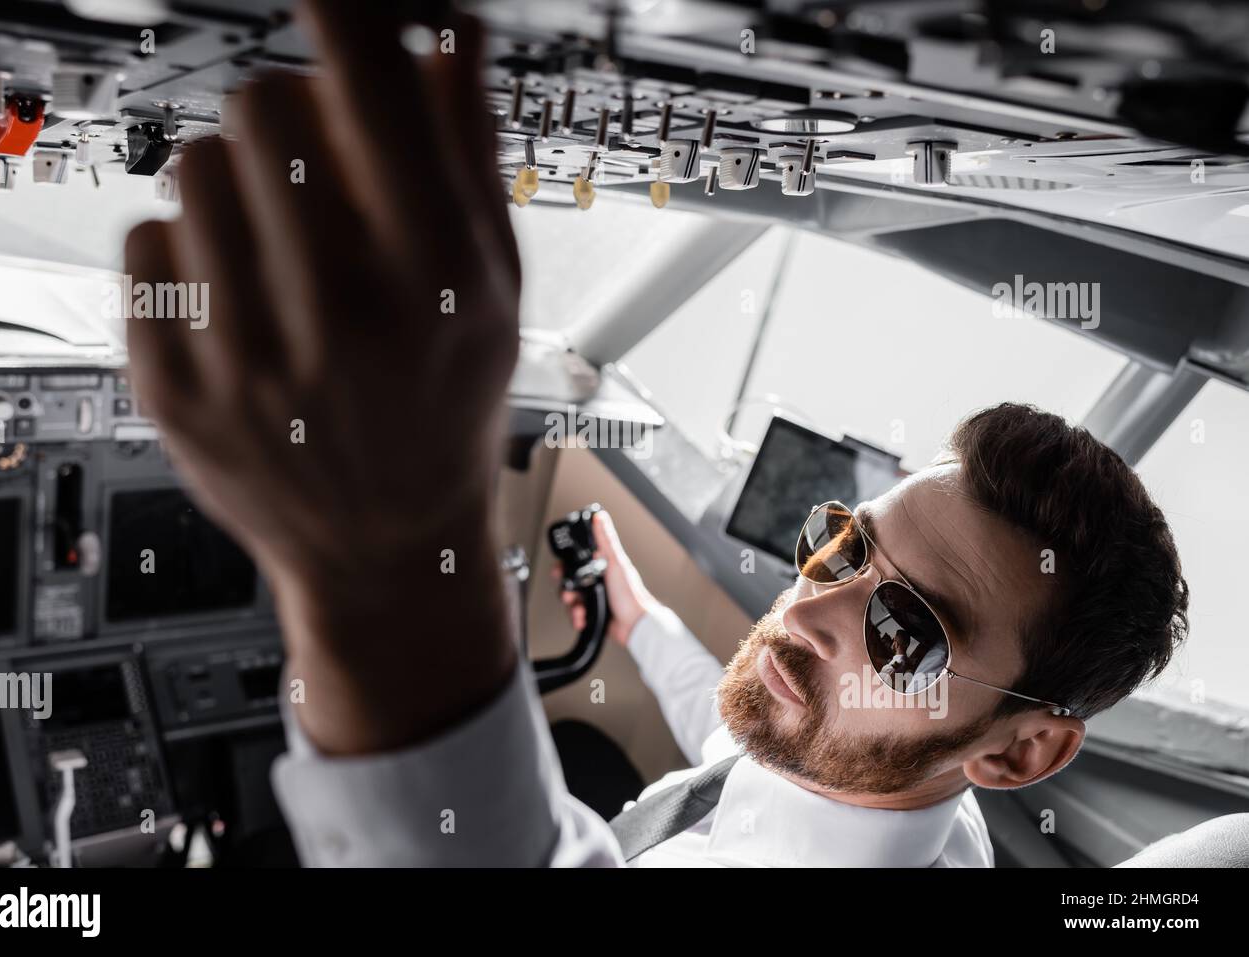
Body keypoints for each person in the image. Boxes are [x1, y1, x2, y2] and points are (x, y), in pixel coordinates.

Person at [125, 1, 1189, 867]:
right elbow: (733, 742)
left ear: (1021, 752)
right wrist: (635, 620)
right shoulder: (880, 782)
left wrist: (379, 570)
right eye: (845, 546)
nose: (813, 605)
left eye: (905, 630)